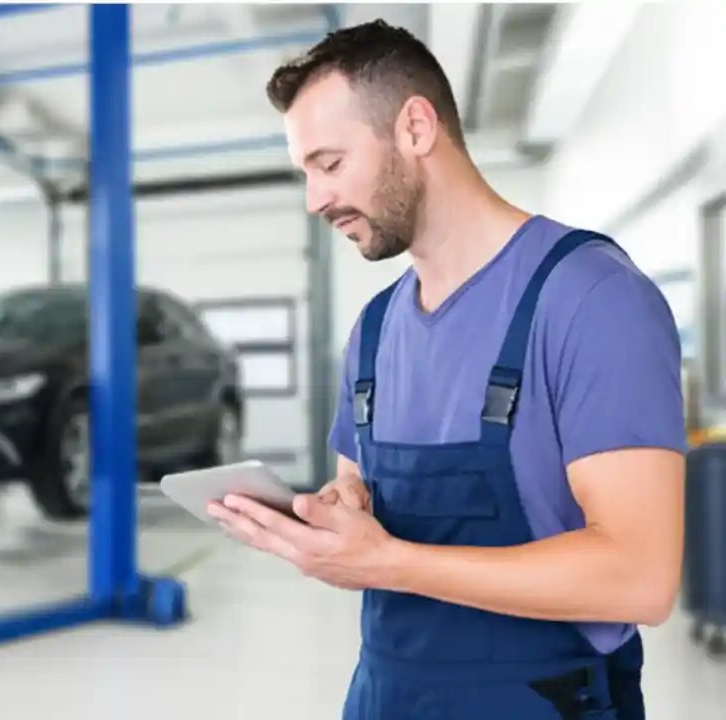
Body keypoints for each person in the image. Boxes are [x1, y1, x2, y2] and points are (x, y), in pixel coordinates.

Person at [206, 19, 686, 720]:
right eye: (304, 172)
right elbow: (356, 489)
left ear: (416, 128)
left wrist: (387, 562)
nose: (314, 200)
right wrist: (337, 519)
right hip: (385, 696)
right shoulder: (374, 329)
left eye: (330, 164)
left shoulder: (590, 299)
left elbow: (640, 579)